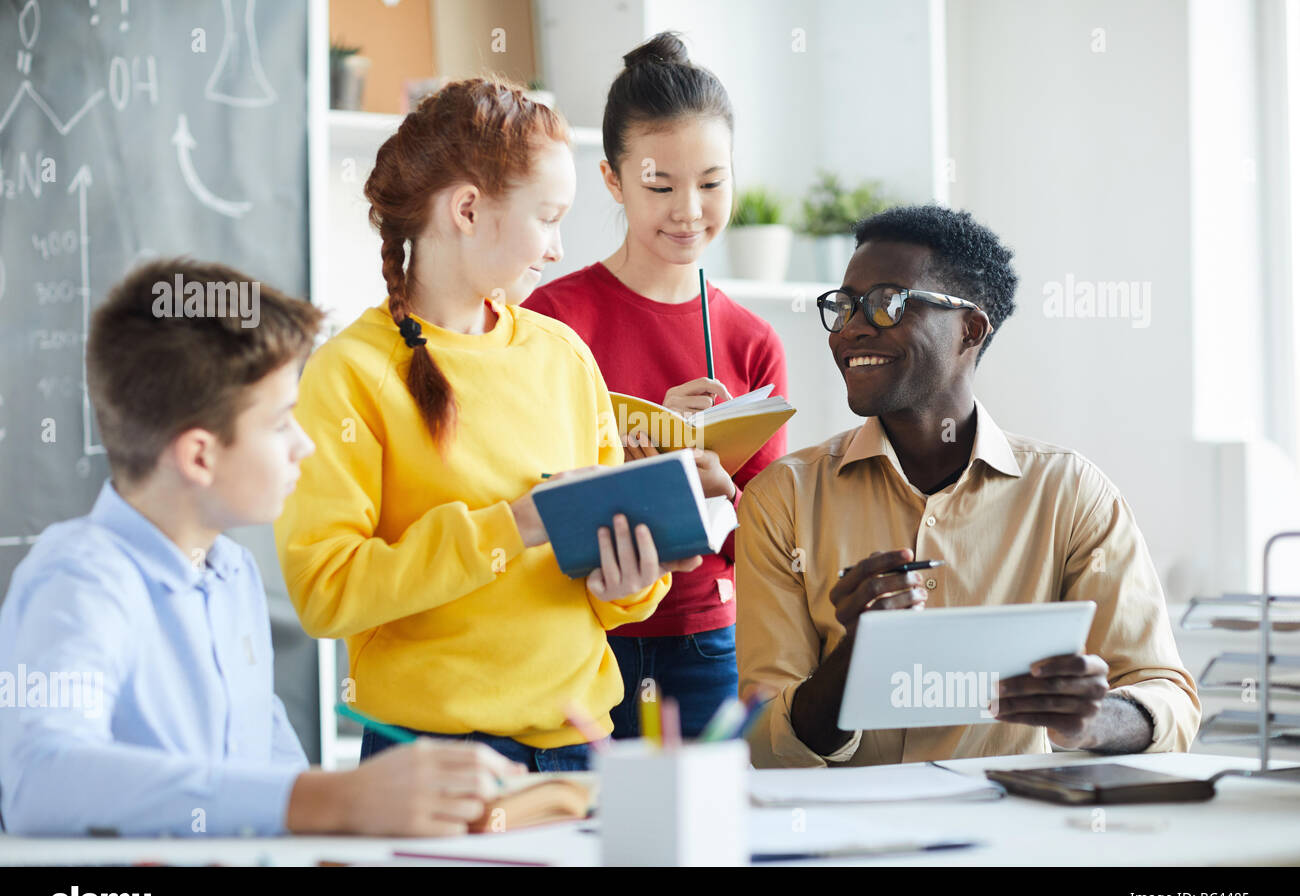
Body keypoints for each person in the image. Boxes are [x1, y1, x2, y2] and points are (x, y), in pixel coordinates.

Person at [0, 258, 523, 837]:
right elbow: (41, 779)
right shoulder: (81, 577)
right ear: (200, 455)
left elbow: (266, 767)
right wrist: (331, 799)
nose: (304, 446)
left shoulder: (233, 575)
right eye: (280, 425)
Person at [275, 79, 699, 774]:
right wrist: (517, 524)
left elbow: (600, 602)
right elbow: (327, 592)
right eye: (548, 218)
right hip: (431, 761)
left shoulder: (562, 354)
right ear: (469, 208)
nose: (559, 249)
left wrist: (629, 583)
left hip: (582, 752)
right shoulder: (349, 374)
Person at [736, 205, 1200, 767]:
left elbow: (1168, 701)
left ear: (969, 329)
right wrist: (856, 656)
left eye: (887, 303)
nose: (853, 327)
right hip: (850, 844)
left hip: (1020, 838)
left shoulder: (1072, 494)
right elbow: (765, 743)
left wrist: (1093, 720)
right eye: (845, 305)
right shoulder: (782, 499)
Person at [523, 32, 788, 738]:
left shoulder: (752, 342)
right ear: (612, 180)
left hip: (704, 643)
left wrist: (723, 492)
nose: (689, 211)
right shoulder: (551, 319)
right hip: (577, 631)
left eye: (711, 182)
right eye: (659, 186)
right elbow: (520, 495)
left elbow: (769, 546)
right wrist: (621, 457)